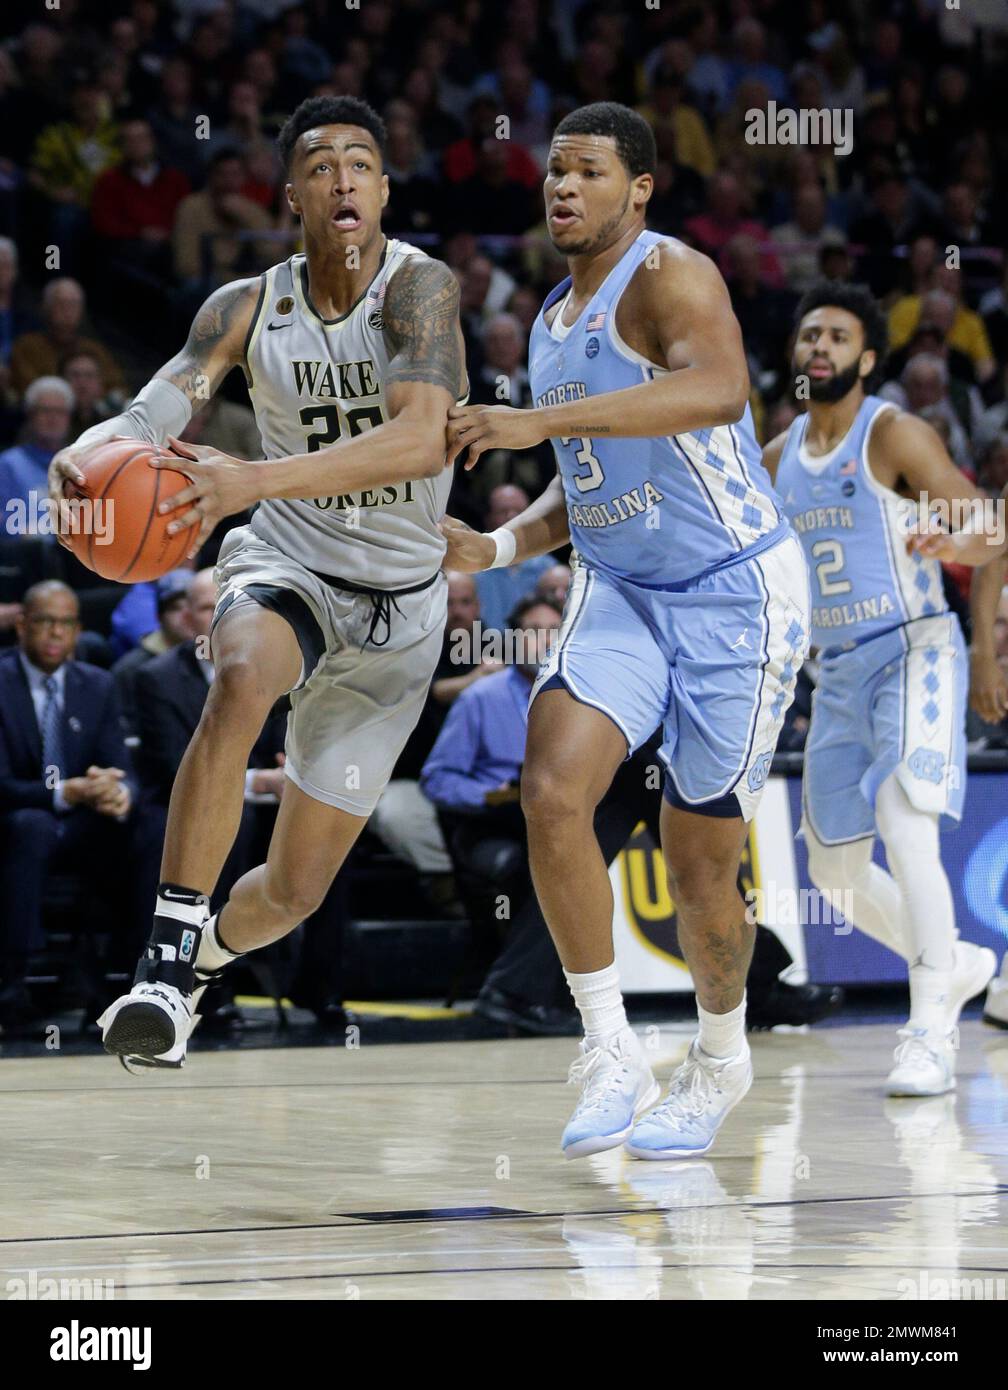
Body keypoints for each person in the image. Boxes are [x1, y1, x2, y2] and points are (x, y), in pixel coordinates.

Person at [48, 94, 466, 1069]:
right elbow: (155, 410)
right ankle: (160, 962)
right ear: (292, 197)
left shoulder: (420, 290)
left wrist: (251, 479)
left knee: (293, 890)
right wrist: (91, 447)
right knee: (240, 678)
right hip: (291, 560)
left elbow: (418, 439)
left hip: (402, 613)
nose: (343, 180)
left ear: (385, 190)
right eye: (321, 167)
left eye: (360, 164)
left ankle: (197, 970)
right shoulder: (243, 304)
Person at [443, 102, 810, 1160]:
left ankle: (721, 1058)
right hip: (621, 589)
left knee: (699, 870)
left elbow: (720, 390)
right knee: (552, 788)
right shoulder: (552, 321)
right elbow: (585, 483)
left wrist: (535, 422)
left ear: (639, 189)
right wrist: (497, 549)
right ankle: (609, 1047)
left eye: (588, 171)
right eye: (554, 170)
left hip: (736, 592)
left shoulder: (670, 273)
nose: (562, 186)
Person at [764, 282, 997, 1096]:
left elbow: (991, 528)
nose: (819, 347)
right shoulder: (776, 457)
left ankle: (930, 1028)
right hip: (833, 674)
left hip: (915, 650)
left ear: (866, 360)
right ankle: (955, 961)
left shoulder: (894, 433)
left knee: (905, 819)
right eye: (810, 335)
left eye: (837, 337)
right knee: (834, 874)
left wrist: (959, 549)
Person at [0, 582, 134, 1027]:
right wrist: (64, 793)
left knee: (125, 829)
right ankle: (13, 982)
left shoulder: (98, 684)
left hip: (80, 819)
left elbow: (120, 764)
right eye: (44, 622)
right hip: (15, 817)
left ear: (78, 630)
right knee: (32, 827)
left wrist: (117, 792)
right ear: (22, 625)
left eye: (66, 624)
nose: (56, 633)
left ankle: (108, 979)